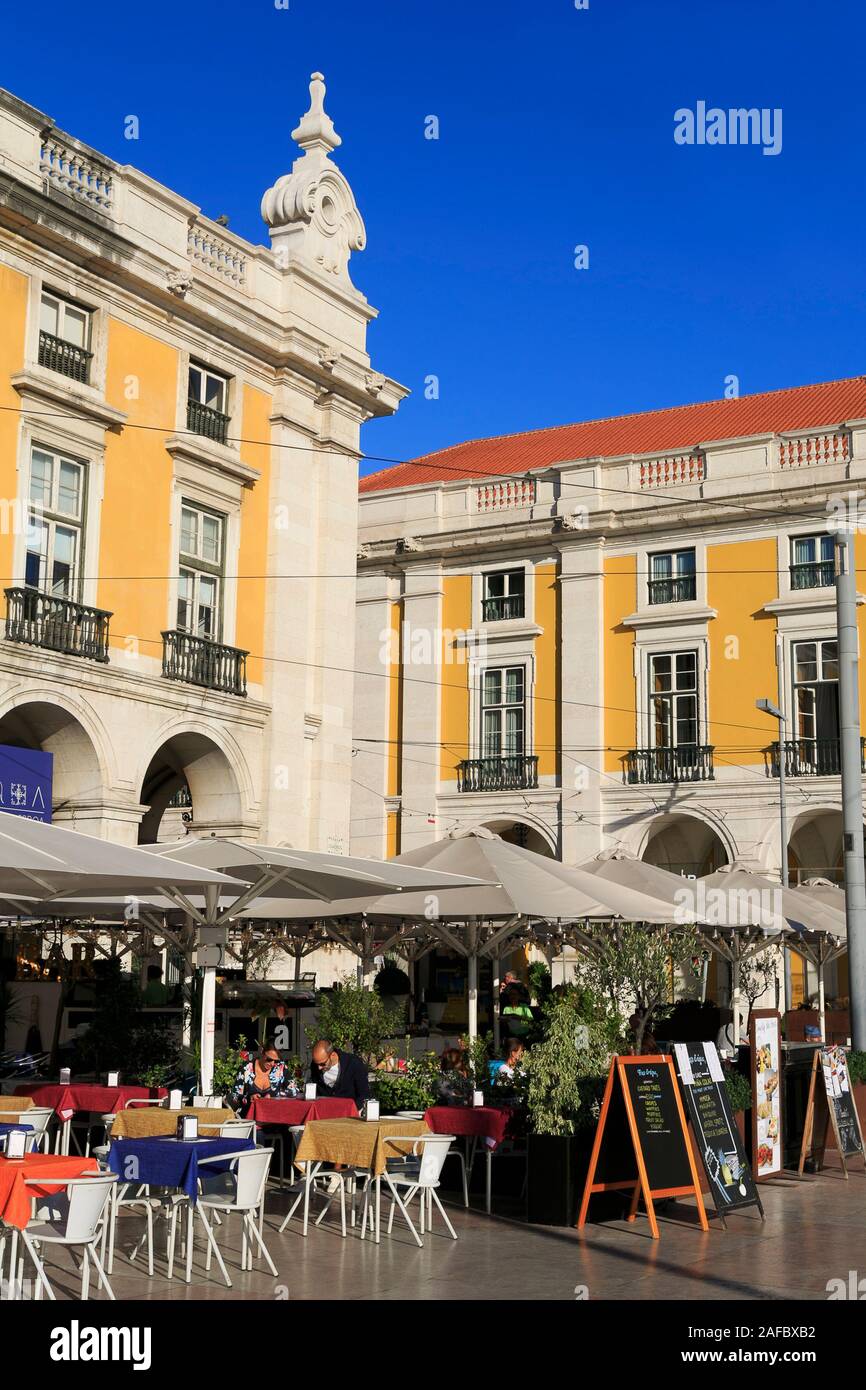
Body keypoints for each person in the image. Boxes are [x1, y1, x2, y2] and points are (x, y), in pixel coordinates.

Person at [231, 1038, 293, 1113]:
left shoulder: (280, 1068)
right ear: (262, 1051)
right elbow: (234, 1096)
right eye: (269, 1059)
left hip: (274, 1117)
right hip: (249, 1119)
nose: (272, 1064)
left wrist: (274, 1097)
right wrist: (248, 1098)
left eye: (276, 1061)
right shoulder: (246, 1069)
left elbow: (294, 1091)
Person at [309, 1039, 370, 1109]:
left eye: (322, 1064)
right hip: (325, 1112)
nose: (319, 1067)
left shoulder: (353, 1063)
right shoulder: (315, 1066)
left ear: (333, 1055)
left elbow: (364, 1094)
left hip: (349, 1113)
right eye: (317, 1064)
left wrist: (352, 1110)